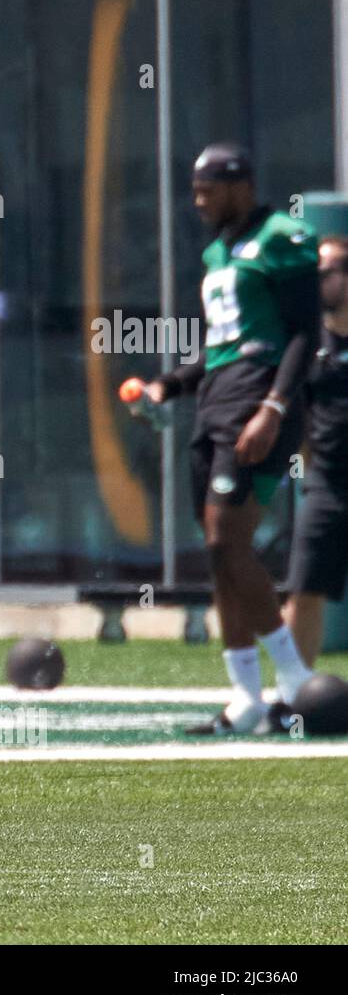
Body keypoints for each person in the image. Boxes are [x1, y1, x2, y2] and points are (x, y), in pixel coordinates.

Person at [141, 145, 317, 734]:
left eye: (207, 188)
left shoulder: (284, 237)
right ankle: (244, 696)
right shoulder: (217, 251)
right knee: (218, 553)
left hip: (258, 402)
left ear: (240, 185)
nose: (197, 201)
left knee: (227, 539)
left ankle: (293, 682)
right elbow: (222, 347)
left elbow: (303, 333)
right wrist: (169, 385)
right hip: (217, 403)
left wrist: (273, 407)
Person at [282, 236, 348, 666]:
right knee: (304, 590)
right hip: (328, 484)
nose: (315, 283)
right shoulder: (307, 345)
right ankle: (292, 694)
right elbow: (297, 416)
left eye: (323, 274)